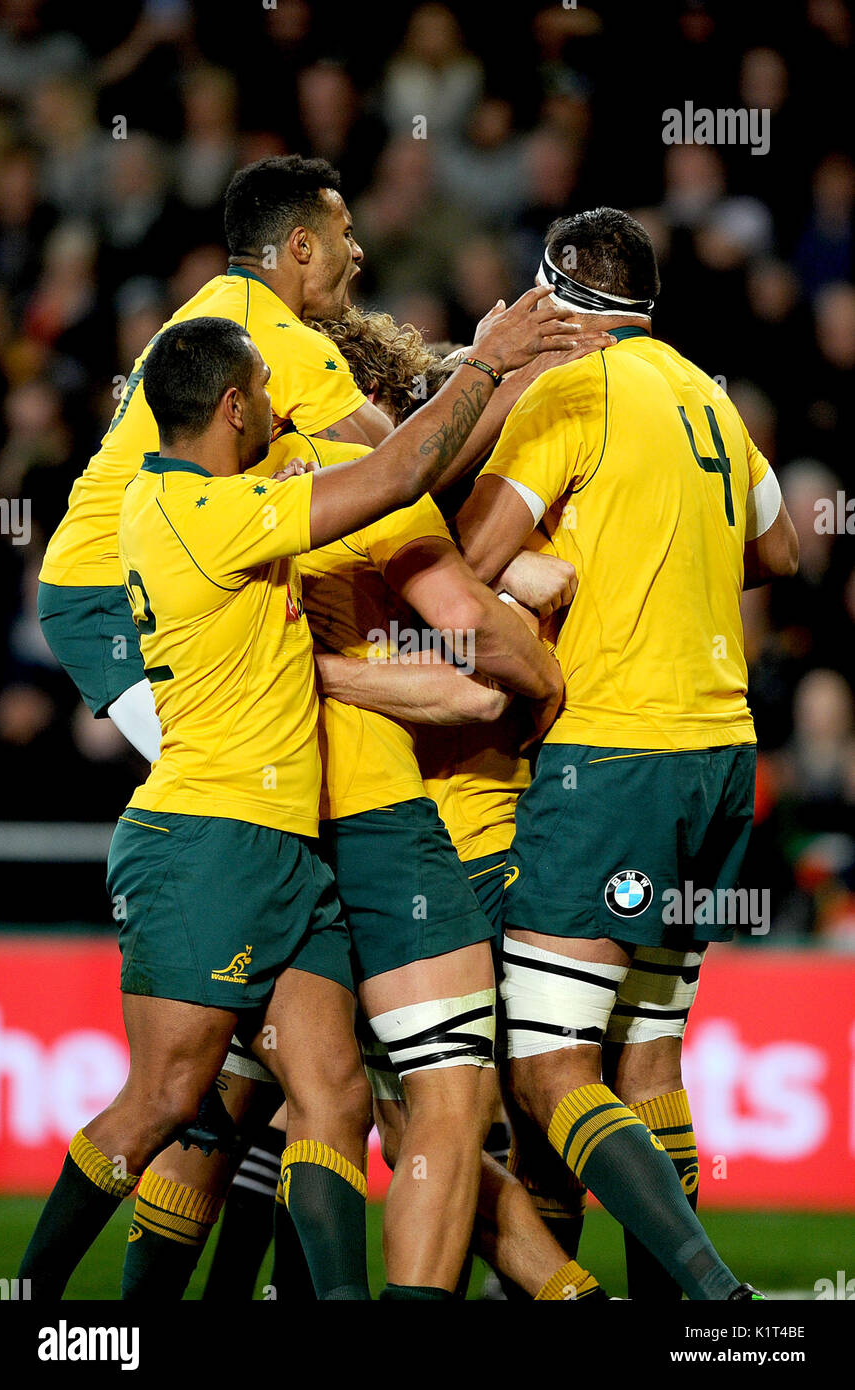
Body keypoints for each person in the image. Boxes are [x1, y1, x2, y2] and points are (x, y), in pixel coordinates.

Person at [18, 282, 577, 1300]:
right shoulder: (204, 510)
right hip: (206, 838)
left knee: (330, 1096)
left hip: (288, 848)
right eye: (268, 391)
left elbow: (389, 453)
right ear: (232, 408)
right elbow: (398, 468)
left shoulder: (221, 485)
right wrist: (492, 363)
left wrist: (476, 397)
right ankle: (36, 1299)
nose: (283, 406)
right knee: (165, 1099)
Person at [454, 207, 799, 1301]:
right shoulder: (707, 391)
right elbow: (782, 548)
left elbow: (470, 558)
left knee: (551, 1061)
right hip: (723, 755)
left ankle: (711, 1296)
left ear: (556, 295)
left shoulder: (571, 391)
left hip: (616, 754)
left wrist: (541, 570)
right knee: (646, 1056)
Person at [36, 154, 393, 766]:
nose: (358, 253)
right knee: (224, 786)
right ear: (302, 245)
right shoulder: (273, 335)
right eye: (347, 234)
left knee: (263, 784)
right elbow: (403, 465)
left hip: (159, 571)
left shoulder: (221, 304)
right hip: (110, 588)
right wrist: (489, 374)